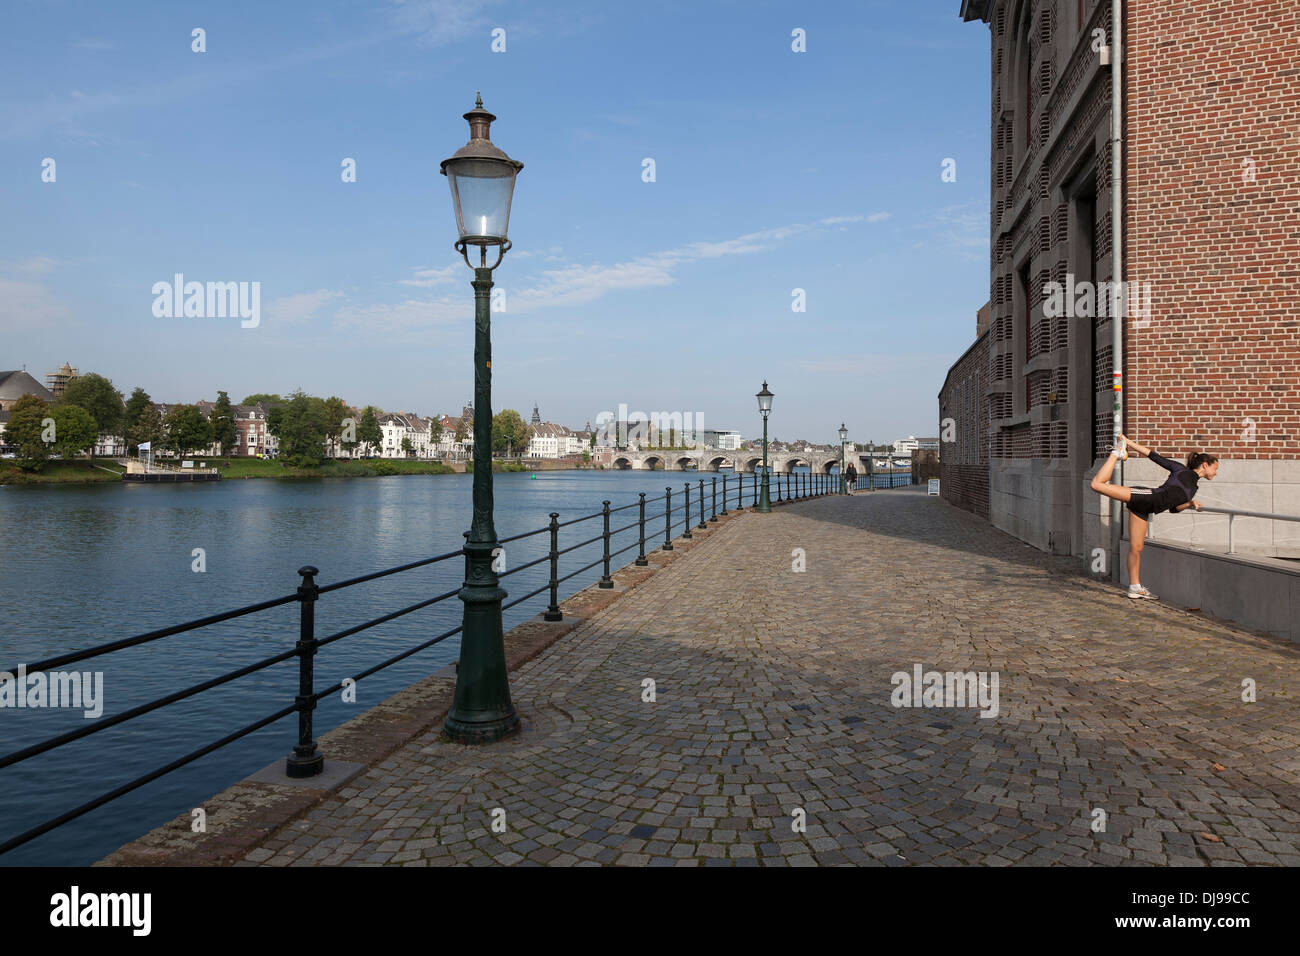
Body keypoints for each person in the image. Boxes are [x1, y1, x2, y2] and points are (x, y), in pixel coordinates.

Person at [1089, 433, 1219, 600]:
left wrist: (1188, 504)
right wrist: (1128, 443)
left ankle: (1135, 587)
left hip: (1146, 508)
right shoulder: (1180, 470)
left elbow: (1173, 508)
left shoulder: (1194, 488)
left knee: (1137, 548)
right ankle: (1116, 453)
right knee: (1097, 485)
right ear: (1205, 465)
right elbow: (1153, 456)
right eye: (1215, 469)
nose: (1215, 473)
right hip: (1146, 496)